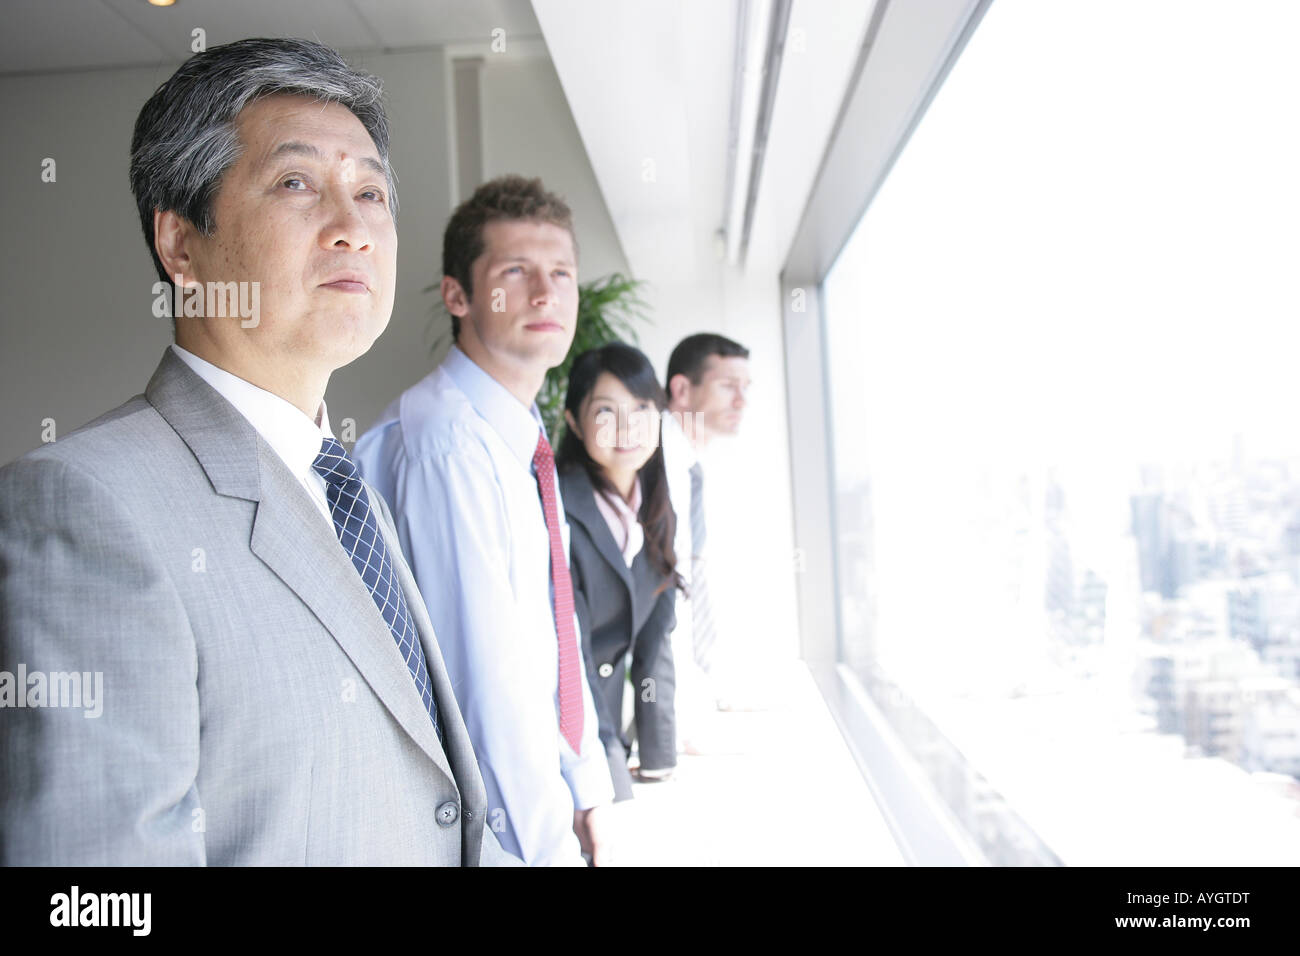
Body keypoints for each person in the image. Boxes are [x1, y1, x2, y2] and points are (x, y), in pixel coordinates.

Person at [0, 38, 513, 866]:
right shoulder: (86, 507)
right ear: (181, 247)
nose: (354, 229)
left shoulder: (347, 490)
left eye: (372, 191)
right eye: (297, 183)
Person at [355, 175, 614, 866]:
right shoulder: (448, 446)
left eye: (561, 272)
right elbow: (486, 688)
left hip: (541, 814)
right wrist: (544, 850)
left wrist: (584, 789)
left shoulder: (517, 435)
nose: (544, 292)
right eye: (515, 272)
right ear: (457, 296)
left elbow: (543, 645)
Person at [557, 343, 681, 802]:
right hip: (568, 752)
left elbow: (654, 645)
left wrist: (658, 756)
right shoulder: (558, 511)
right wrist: (611, 779)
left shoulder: (657, 510)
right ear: (573, 420)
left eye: (642, 408)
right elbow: (574, 661)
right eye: (606, 411)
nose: (628, 427)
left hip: (613, 744)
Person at [661, 333, 752, 734]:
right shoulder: (647, 461)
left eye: (746, 388)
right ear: (682, 390)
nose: (742, 401)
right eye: (729, 386)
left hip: (691, 699)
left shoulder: (695, 465)